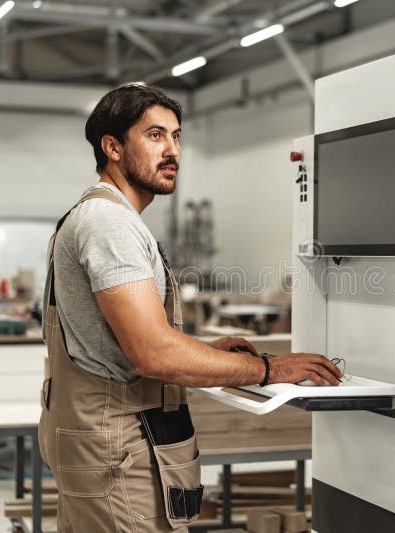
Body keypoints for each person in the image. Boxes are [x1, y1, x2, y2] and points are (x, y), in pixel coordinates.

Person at [37, 82, 342, 532]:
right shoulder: (110, 223)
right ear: (113, 147)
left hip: (100, 446)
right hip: (117, 454)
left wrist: (209, 353)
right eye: (155, 135)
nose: (172, 150)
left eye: (176, 136)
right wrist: (268, 369)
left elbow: (118, 346)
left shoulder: (97, 216)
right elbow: (152, 354)